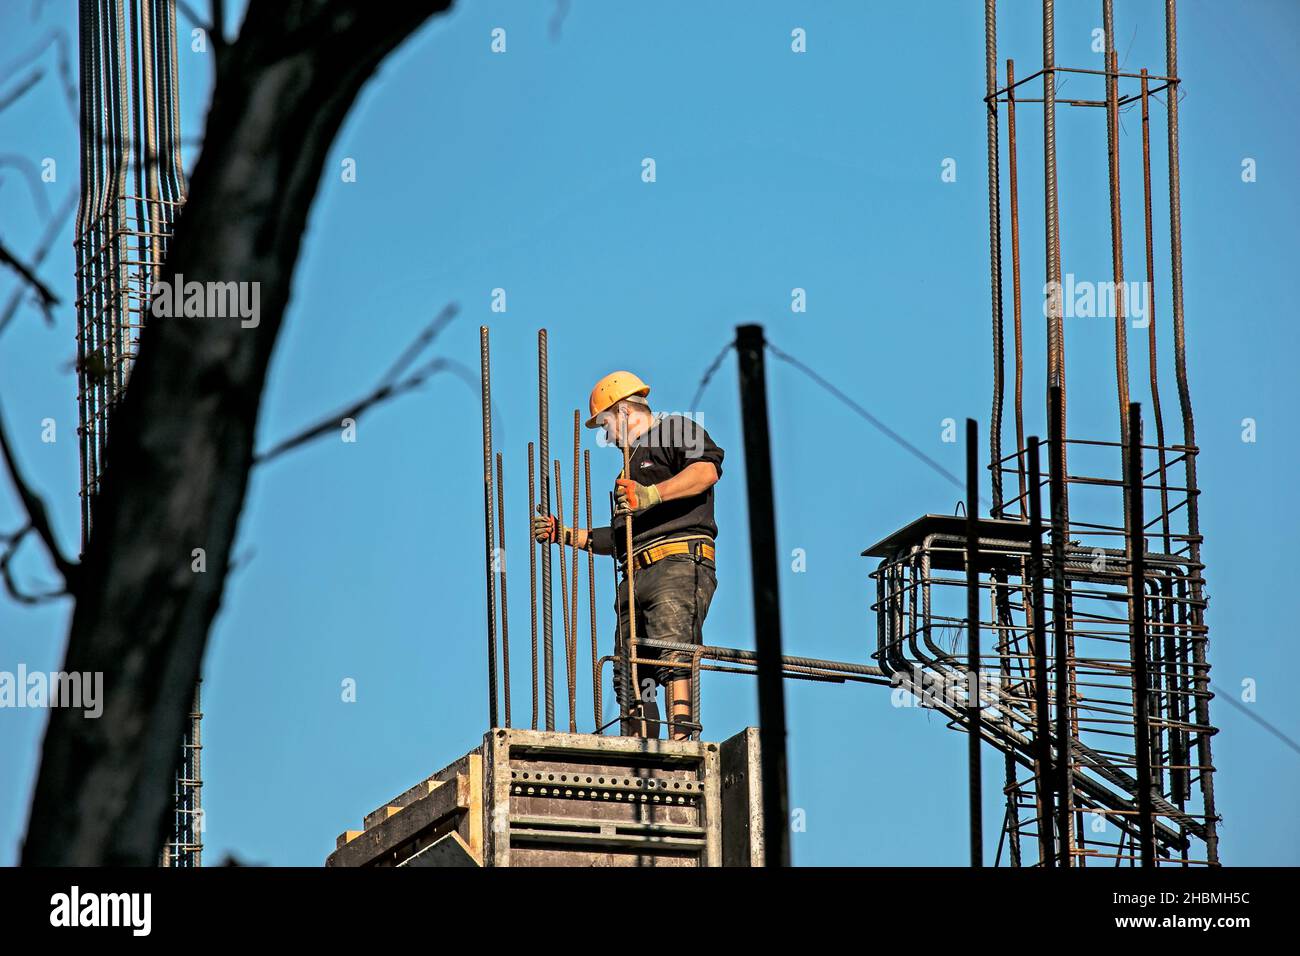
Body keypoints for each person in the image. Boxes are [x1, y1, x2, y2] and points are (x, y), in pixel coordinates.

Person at [532, 371, 724, 740]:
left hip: (677, 563)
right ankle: (642, 744)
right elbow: (621, 538)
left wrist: (651, 495)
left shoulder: (675, 430)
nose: (605, 434)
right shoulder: (627, 470)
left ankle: (681, 740)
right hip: (635, 574)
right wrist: (565, 535)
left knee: (672, 652)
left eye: (604, 423)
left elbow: (705, 471)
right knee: (631, 672)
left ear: (622, 411)